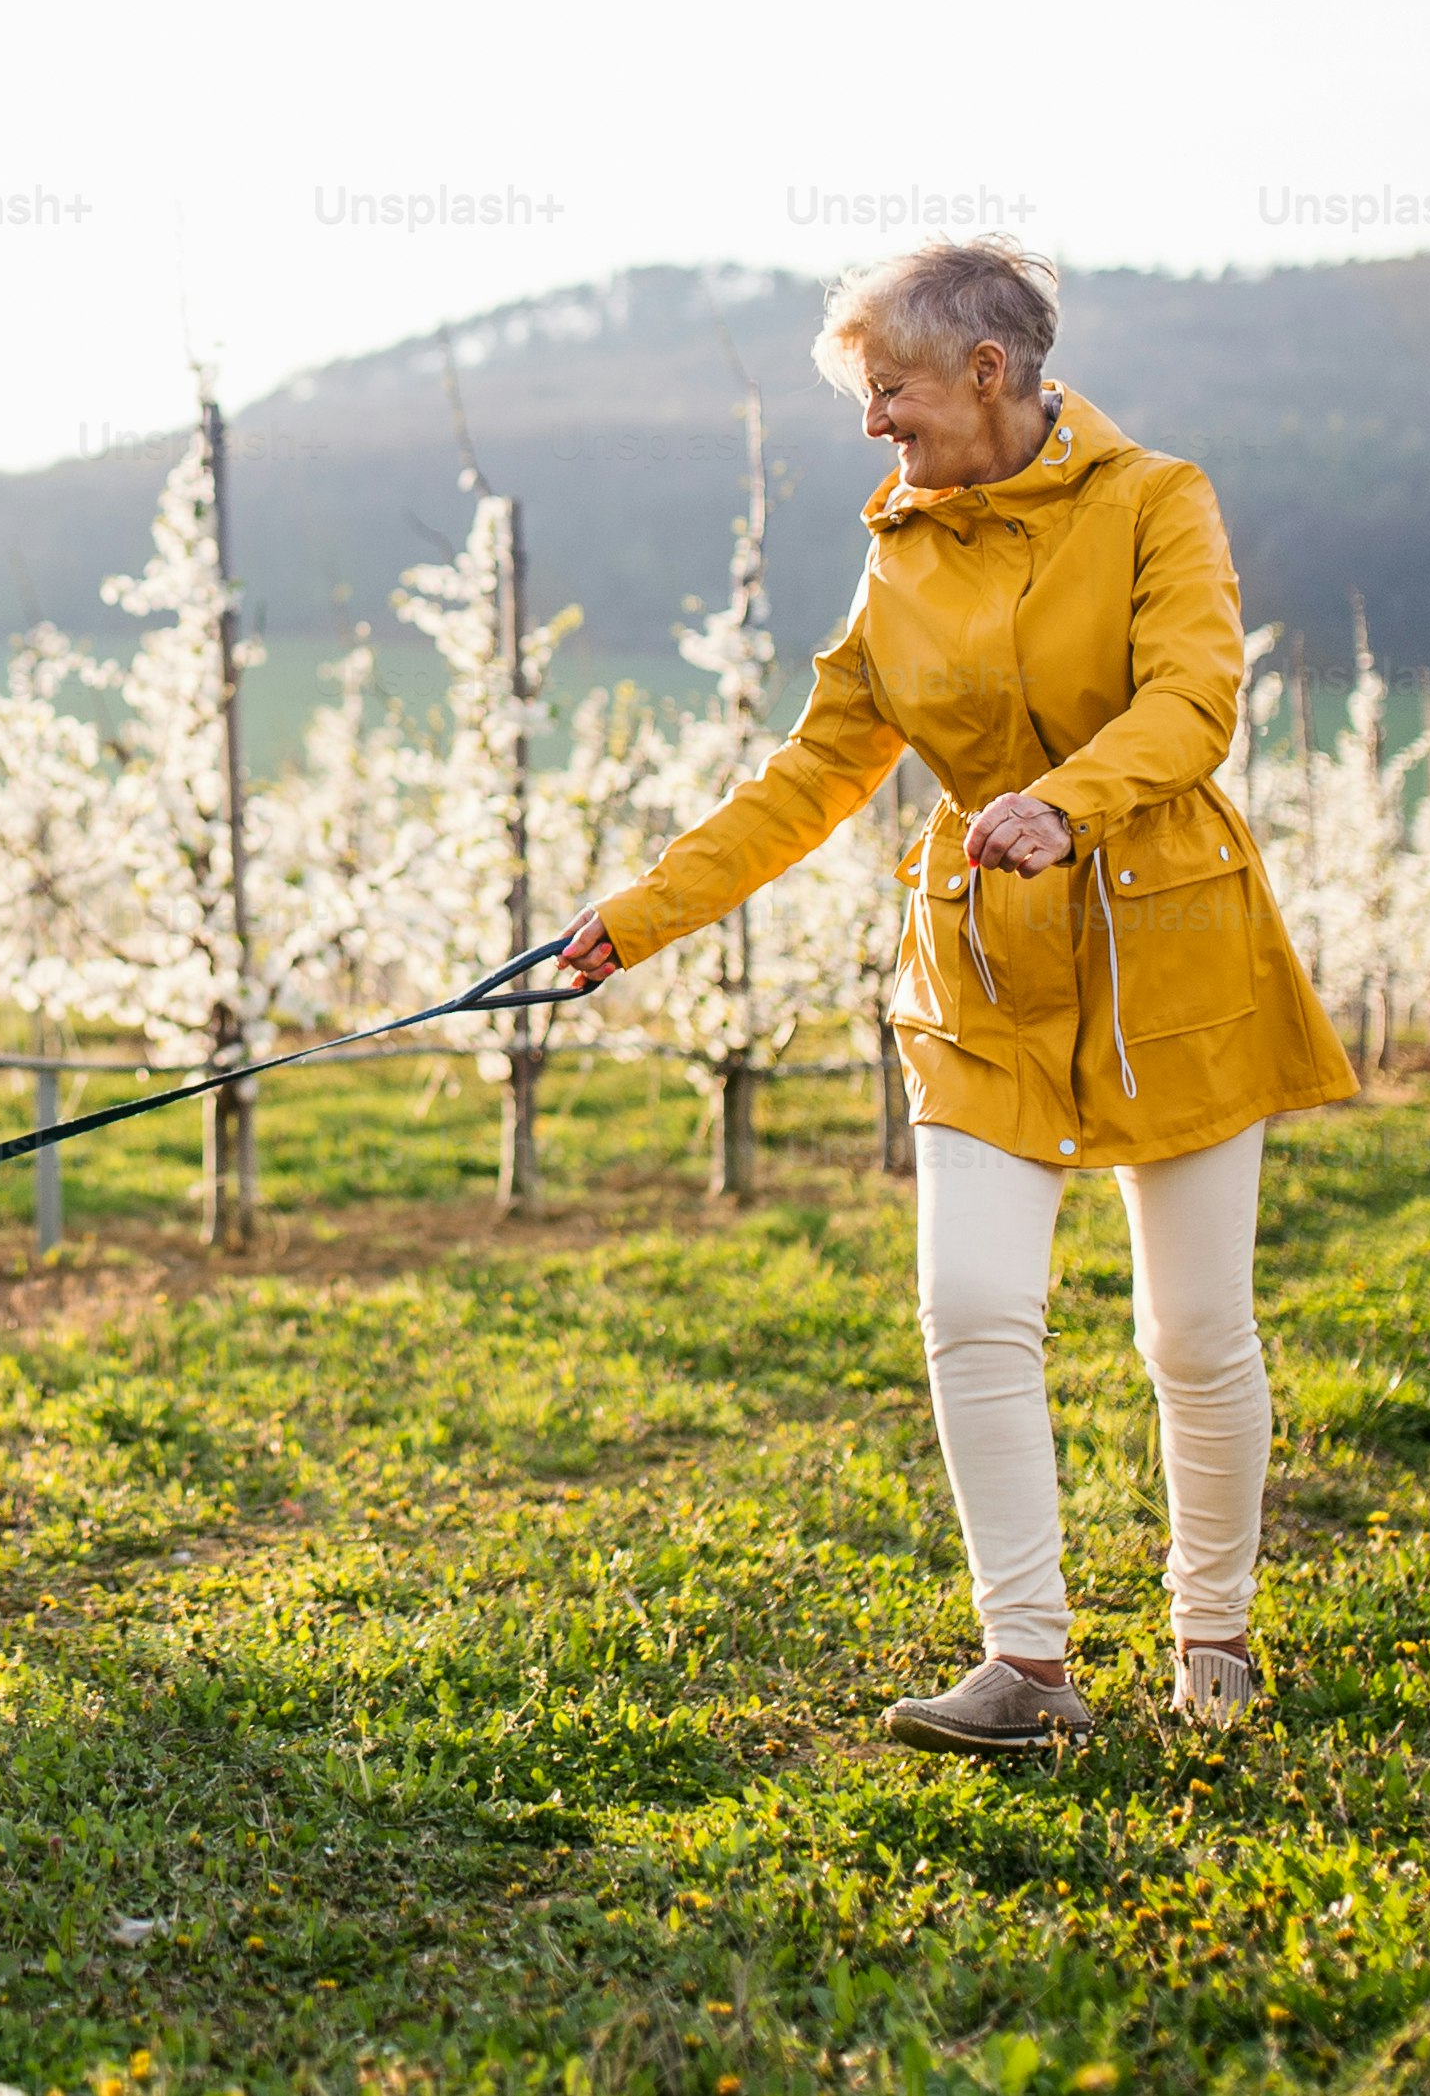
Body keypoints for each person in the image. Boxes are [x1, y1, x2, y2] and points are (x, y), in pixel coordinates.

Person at [557, 238, 1350, 1750]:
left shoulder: (1153, 501)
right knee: (972, 1304)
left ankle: (1213, 1628)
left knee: (1190, 1330)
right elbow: (817, 766)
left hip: (1163, 952)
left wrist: (1070, 798)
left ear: (988, 373)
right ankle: (1026, 1664)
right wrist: (639, 916)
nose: (873, 425)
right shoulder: (901, 544)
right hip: (981, 967)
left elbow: (1193, 698)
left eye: (891, 391)